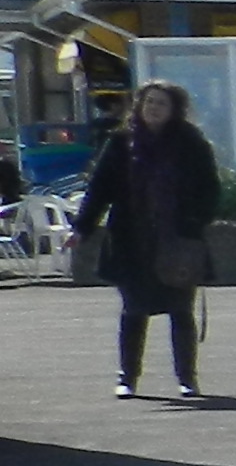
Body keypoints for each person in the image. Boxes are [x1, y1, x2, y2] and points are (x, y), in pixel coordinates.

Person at [74, 80, 222, 398]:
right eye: (149, 102)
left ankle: (187, 377)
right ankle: (127, 377)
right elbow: (100, 189)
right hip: (131, 241)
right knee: (134, 309)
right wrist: (81, 228)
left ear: (175, 110)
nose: (153, 108)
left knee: (181, 310)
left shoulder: (191, 143)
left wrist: (195, 221)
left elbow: (210, 189)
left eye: (161, 103)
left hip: (177, 241)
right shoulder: (121, 143)